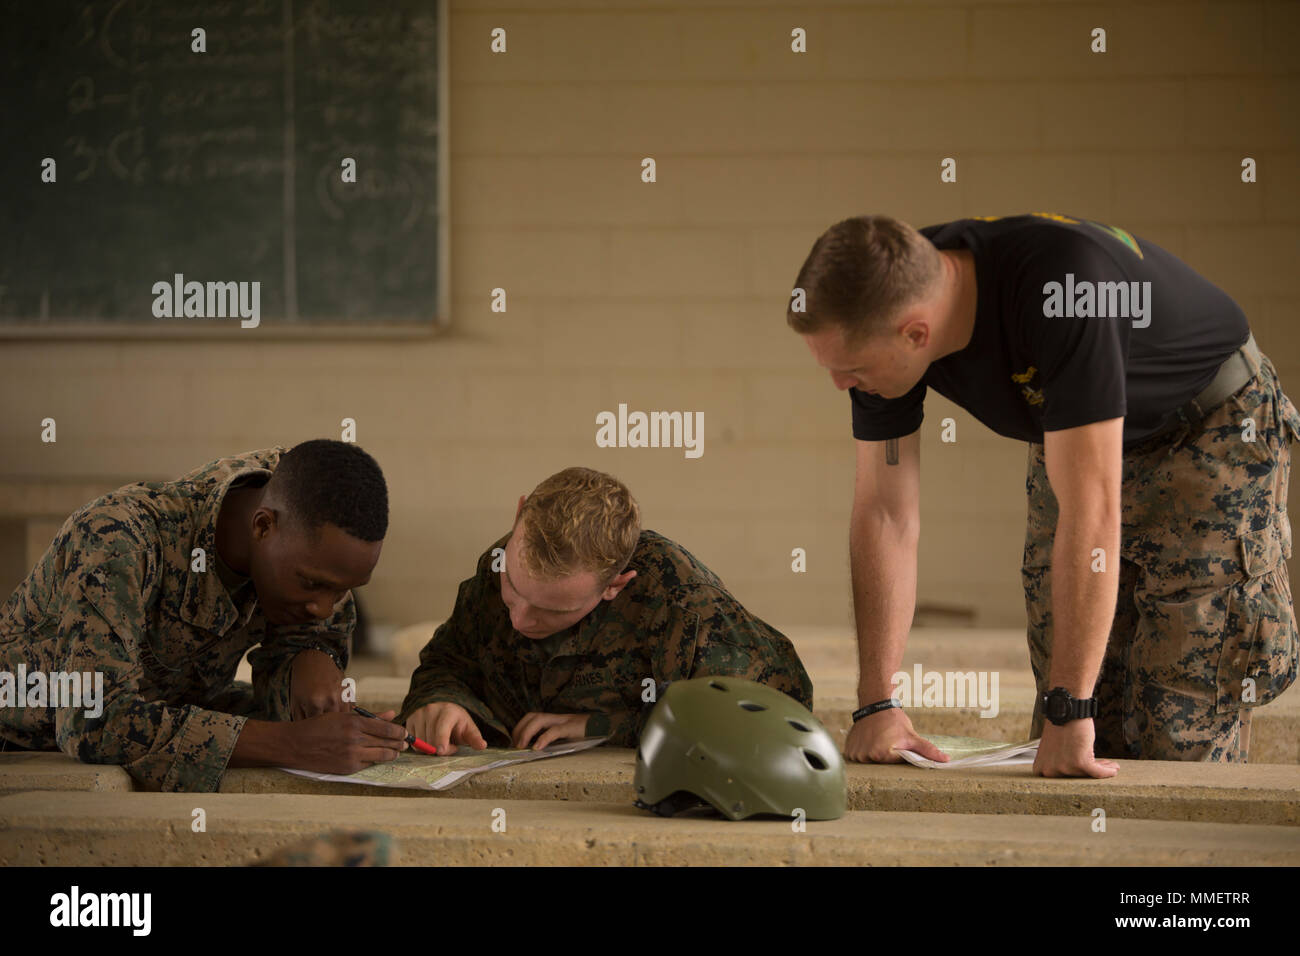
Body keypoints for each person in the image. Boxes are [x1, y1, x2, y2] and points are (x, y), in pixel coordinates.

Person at [787, 212, 1299, 776]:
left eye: (851, 370)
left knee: (1178, 712)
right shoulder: (889, 298)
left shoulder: (1067, 287)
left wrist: (1070, 709)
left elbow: (1092, 508)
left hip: (1206, 428)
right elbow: (885, 513)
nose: (841, 385)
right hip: (1073, 430)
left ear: (916, 332)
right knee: (1067, 722)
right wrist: (877, 704)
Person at [0, 439, 408, 791]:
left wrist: (313, 656)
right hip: (24, 738)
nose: (323, 606)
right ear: (263, 527)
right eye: (313, 585)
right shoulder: (120, 540)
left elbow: (304, 656)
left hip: (172, 700)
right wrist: (291, 743)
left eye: (343, 591)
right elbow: (93, 722)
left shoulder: (312, 530)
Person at [398, 466, 812, 752]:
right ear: (519, 513)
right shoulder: (499, 560)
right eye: (512, 590)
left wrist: (608, 727)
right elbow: (446, 661)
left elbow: (778, 715)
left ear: (615, 585)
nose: (519, 618)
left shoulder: (681, 603)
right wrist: (442, 702)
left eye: (552, 611)